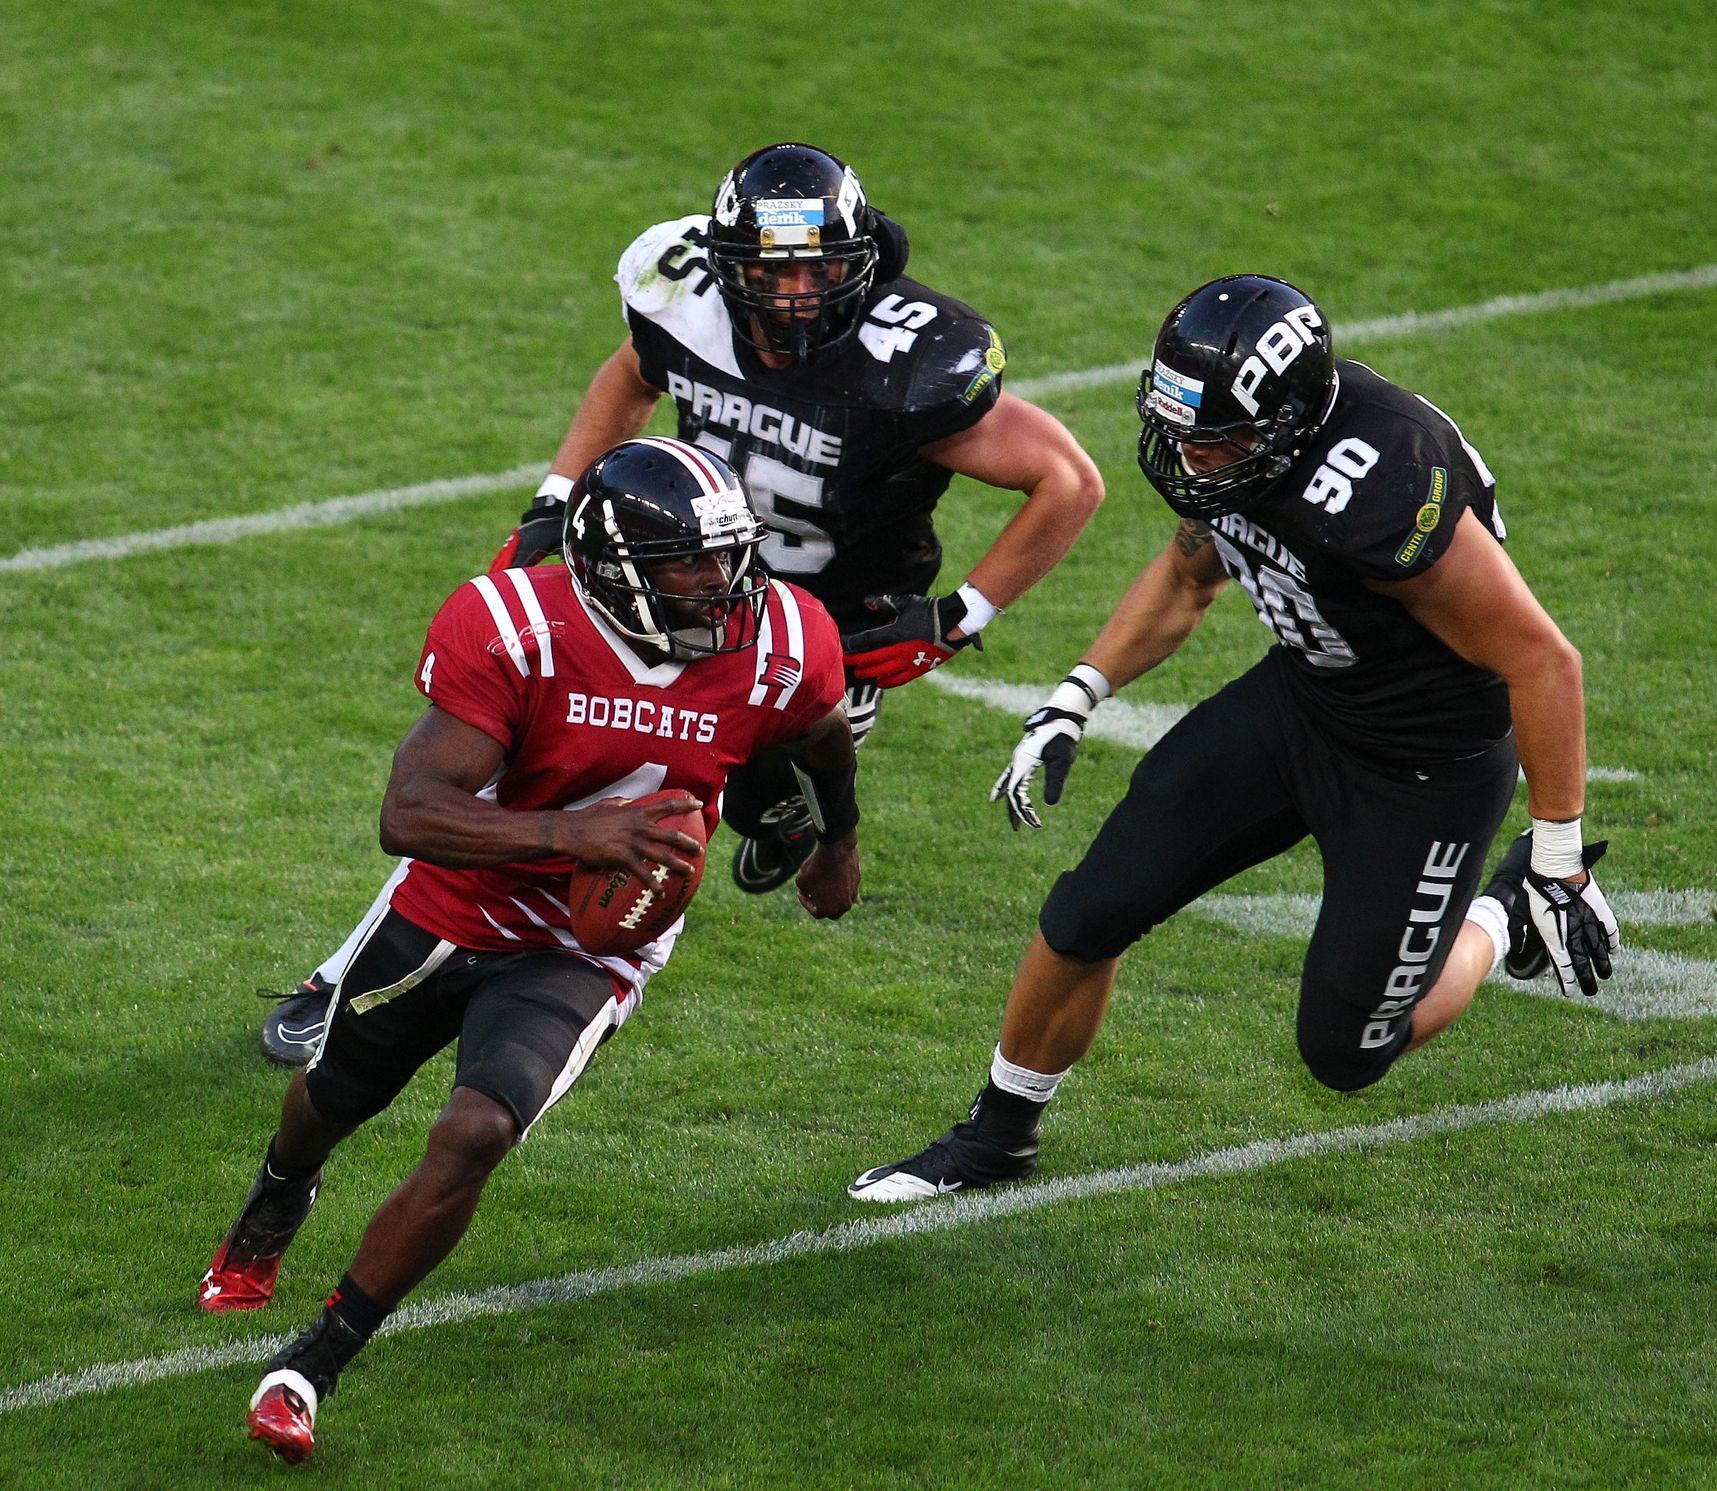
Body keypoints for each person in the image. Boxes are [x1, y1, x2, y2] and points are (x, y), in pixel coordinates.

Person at [258, 140, 1103, 1066]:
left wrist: (955, 617)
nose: (796, 294)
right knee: (535, 778)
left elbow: (1065, 478)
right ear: (728, 267)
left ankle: (769, 813)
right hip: (661, 578)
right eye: (770, 271)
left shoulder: (907, 362)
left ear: (859, 263)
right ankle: (351, 976)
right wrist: (555, 497)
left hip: (812, 625)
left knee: (761, 776)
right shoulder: (684, 303)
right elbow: (631, 373)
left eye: (818, 267)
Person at [848, 274, 1622, 1202]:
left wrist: (1558, 860)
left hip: (1424, 767)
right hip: (1301, 704)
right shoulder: (1238, 448)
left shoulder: (1379, 484)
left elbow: (1543, 662)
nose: (1194, 458)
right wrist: (1075, 693)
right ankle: (998, 1136)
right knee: (1088, 912)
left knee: (1346, 1051)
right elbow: (1185, 579)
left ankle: (1497, 913)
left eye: (1217, 441)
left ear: (1287, 422)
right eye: (1185, 432)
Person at [205, 438, 861, 1463]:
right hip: (454, 906)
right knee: (329, 1100)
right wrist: (572, 836)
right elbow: (409, 812)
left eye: (727, 554)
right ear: (609, 565)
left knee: (475, 1133)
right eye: (688, 561)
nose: (719, 582)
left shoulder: (780, 639)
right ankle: (282, 1190)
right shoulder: (515, 623)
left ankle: (314, 1363)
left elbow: (821, 734)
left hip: (591, 947)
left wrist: (837, 839)